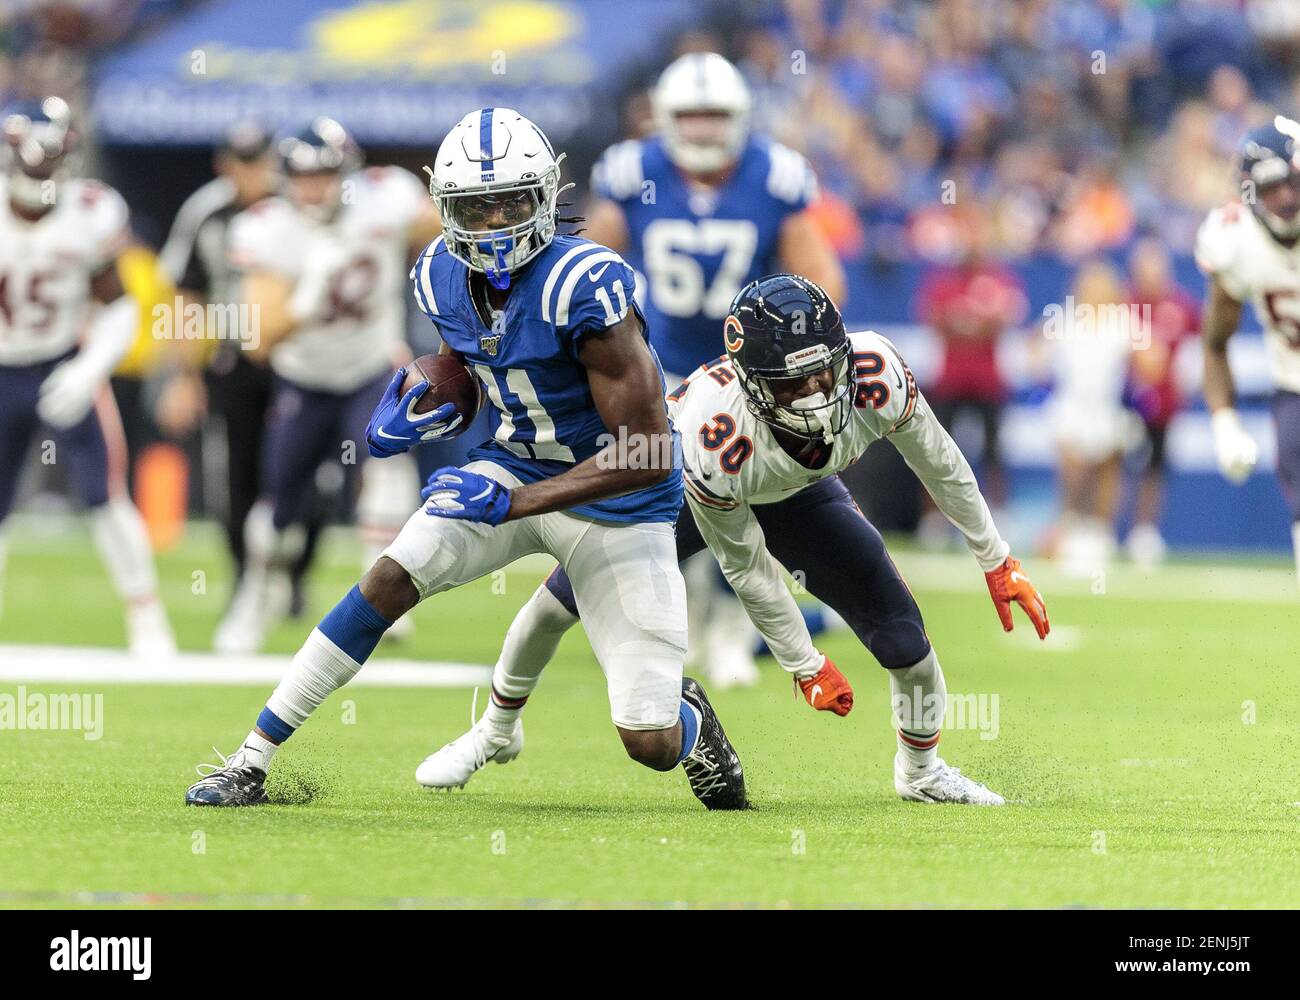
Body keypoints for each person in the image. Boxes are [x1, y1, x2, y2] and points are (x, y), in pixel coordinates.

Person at [185, 108, 748, 811]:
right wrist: (435, 402)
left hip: (618, 500)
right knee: (390, 576)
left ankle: (689, 721)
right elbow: (479, 368)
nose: (494, 221)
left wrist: (514, 501)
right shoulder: (438, 277)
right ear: (445, 208)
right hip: (515, 464)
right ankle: (250, 759)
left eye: (511, 200)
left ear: (545, 196)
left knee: (649, 742)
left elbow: (648, 452)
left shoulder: (587, 285)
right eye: (474, 207)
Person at [416, 275, 1049, 805]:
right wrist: (805, 664)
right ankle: (495, 730)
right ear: (753, 385)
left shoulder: (876, 372)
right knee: (554, 606)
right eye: (790, 385)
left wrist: (997, 562)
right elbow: (744, 564)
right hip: (677, 488)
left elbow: (940, 462)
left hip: (798, 489)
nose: (814, 395)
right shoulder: (718, 440)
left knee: (905, 640)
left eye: (821, 376)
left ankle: (922, 773)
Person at [586, 51, 847, 687]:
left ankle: (732, 629)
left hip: (742, 371)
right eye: (691, 116)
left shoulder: (774, 175)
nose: (702, 129)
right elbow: (588, 264)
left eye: (715, 116)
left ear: (739, 117)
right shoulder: (632, 171)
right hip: (661, 364)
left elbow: (820, 277)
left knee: (739, 501)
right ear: (666, 118)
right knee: (659, 501)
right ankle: (679, 624)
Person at [211, 118, 441, 653]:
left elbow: (447, 234)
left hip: (371, 363)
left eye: (325, 174)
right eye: (303, 176)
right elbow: (257, 339)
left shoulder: (387, 198)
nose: (314, 187)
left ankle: (387, 587)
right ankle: (255, 594)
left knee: (389, 465)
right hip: (305, 376)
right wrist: (307, 297)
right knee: (280, 503)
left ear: (347, 173)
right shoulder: (265, 227)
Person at [0, 96, 174, 654]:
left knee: (105, 493)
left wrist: (88, 368)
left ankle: (147, 619)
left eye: (49, 165)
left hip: (59, 359)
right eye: (32, 165)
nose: (40, 177)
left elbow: (119, 305)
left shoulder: (90, 211)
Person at [153, 122, 328, 617]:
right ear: (224, 165)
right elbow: (187, 295)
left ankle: (294, 576)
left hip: (296, 355)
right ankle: (245, 579)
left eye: (259, 161)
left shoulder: (299, 207)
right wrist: (184, 377)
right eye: (242, 162)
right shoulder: (206, 211)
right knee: (235, 477)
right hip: (233, 358)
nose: (252, 173)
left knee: (309, 473)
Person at [1198, 117, 1300, 589]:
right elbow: (1216, 342)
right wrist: (1224, 422)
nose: (1289, 196)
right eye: (1278, 185)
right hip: (1293, 385)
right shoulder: (1235, 240)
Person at [1048, 259, 1141, 576]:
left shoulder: (1122, 322)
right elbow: (1035, 354)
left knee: (1107, 471)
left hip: (1107, 408)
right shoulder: (1066, 320)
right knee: (1072, 473)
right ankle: (1071, 532)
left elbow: (1151, 360)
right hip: (1072, 407)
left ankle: (1101, 535)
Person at [1123, 236, 1199, 566]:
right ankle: (1104, 528)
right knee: (1119, 463)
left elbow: (1196, 351)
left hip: (1164, 404)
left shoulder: (1182, 305)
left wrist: (1186, 386)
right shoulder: (1124, 305)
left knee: (1155, 466)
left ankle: (1145, 530)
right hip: (1125, 402)